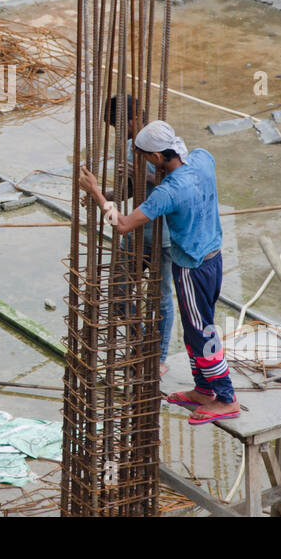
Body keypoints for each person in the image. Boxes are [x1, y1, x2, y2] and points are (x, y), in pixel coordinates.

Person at [78, 119, 237, 424]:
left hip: (192, 267)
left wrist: (96, 192)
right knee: (194, 331)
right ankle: (203, 389)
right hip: (214, 259)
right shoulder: (203, 159)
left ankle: (226, 397)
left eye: (145, 158)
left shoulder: (169, 191)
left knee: (202, 332)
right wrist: (155, 174)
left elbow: (122, 224)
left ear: (155, 157)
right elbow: (188, 162)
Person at [101, 94, 175, 374]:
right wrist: (107, 195)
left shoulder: (160, 143)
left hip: (163, 237)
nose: (117, 133)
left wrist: (143, 175)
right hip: (137, 230)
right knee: (118, 293)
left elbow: (177, 183)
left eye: (118, 127)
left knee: (161, 297)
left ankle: (159, 357)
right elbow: (133, 190)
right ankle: (144, 344)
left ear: (132, 120)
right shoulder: (131, 148)